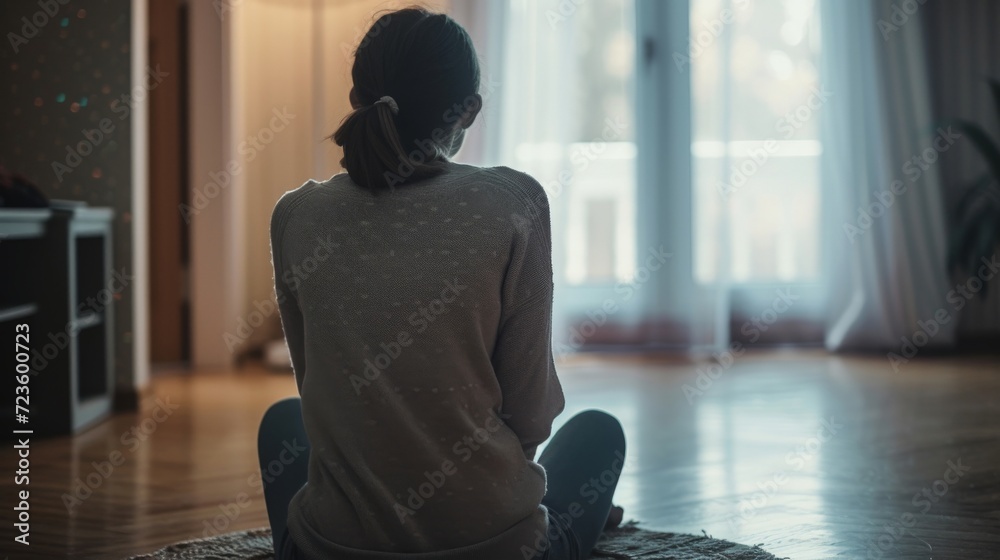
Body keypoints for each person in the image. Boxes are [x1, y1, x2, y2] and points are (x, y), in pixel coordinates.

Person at [258, 7, 626, 560]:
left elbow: (319, 392)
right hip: (500, 548)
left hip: (331, 549)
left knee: (282, 422)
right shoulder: (515, 204)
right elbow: (530, 417)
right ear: (469, 111)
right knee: (599, 433)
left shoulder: (295, 216)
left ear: (357, 98)